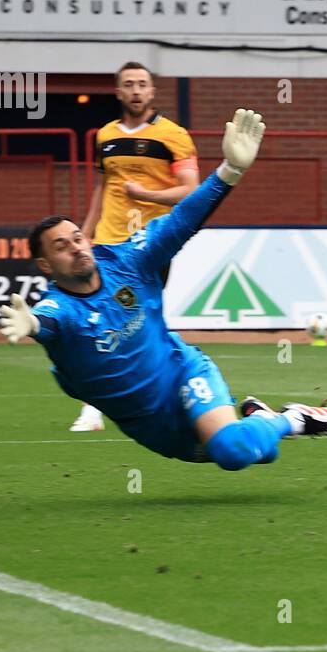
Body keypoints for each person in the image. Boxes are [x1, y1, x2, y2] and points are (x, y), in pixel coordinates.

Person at [1, 109, 327, 471]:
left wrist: (231, 171)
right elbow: (47, 321)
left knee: (233, 450)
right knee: (260, 451)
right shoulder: (59, 308)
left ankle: (296, 418)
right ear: (46, 266)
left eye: (78, 237)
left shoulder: (128, 260)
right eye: (61, 246)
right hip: (152, 425)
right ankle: (262, 417)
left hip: (184, 373)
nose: (77, 247)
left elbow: (182, 218)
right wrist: (31, 324)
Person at [70, 62, 201, 434]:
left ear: (152, 91)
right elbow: (102, 185)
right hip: (110, 243)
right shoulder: (105, 135)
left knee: (142, 320)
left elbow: (191, 189)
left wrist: (148, 194)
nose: (136, 90)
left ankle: (171, 391)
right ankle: (94, 406)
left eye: (142, 84)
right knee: (102, 317)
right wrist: (86, 230)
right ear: (118, 92)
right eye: (129, 84)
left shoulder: (174, 135)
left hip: (152, 243)